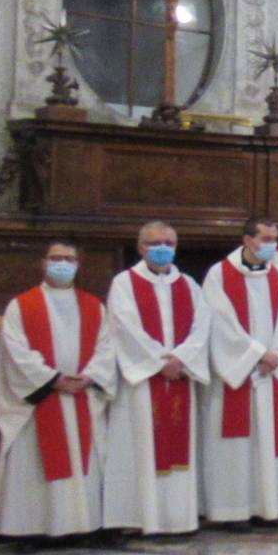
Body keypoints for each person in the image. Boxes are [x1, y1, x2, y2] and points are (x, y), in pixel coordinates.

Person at [0, 239, 116, 543]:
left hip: (82, 397)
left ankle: (82, 526)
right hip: (43, 400)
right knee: (35, 464)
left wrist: (89, 376)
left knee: (83, 462)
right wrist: (51, 379)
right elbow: (15, 351)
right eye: (55, 258)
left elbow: (106, 347)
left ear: (77, 265)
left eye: (69, 259)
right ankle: (31, 531)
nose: (62, 264)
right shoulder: (22, 305)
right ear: (43, 263)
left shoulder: (93, 305)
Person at [105, 221, 210, 536]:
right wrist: (158, 362)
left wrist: (181, 359)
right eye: (155, 242)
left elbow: (201, 327)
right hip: (142, 383)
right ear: (141, 248)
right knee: (141, 447)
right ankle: (142, 519)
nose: (163, 248)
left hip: (180, 376)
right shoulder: (125, 283)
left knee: (179, 445)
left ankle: (179, 519)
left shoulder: (189, 285)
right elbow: (124, 327)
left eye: (169, 242)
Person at [200, 217, 278, 525]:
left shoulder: (275, 275)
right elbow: (219, 324)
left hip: (268, 375)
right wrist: (257, 355)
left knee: (266, 443)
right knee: (235, 446)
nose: (271, 245)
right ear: (247, 240)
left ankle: (265, 507)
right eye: (265, 239)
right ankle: (232, 511)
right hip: (237, 376)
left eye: (274, 239)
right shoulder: (220, 274)